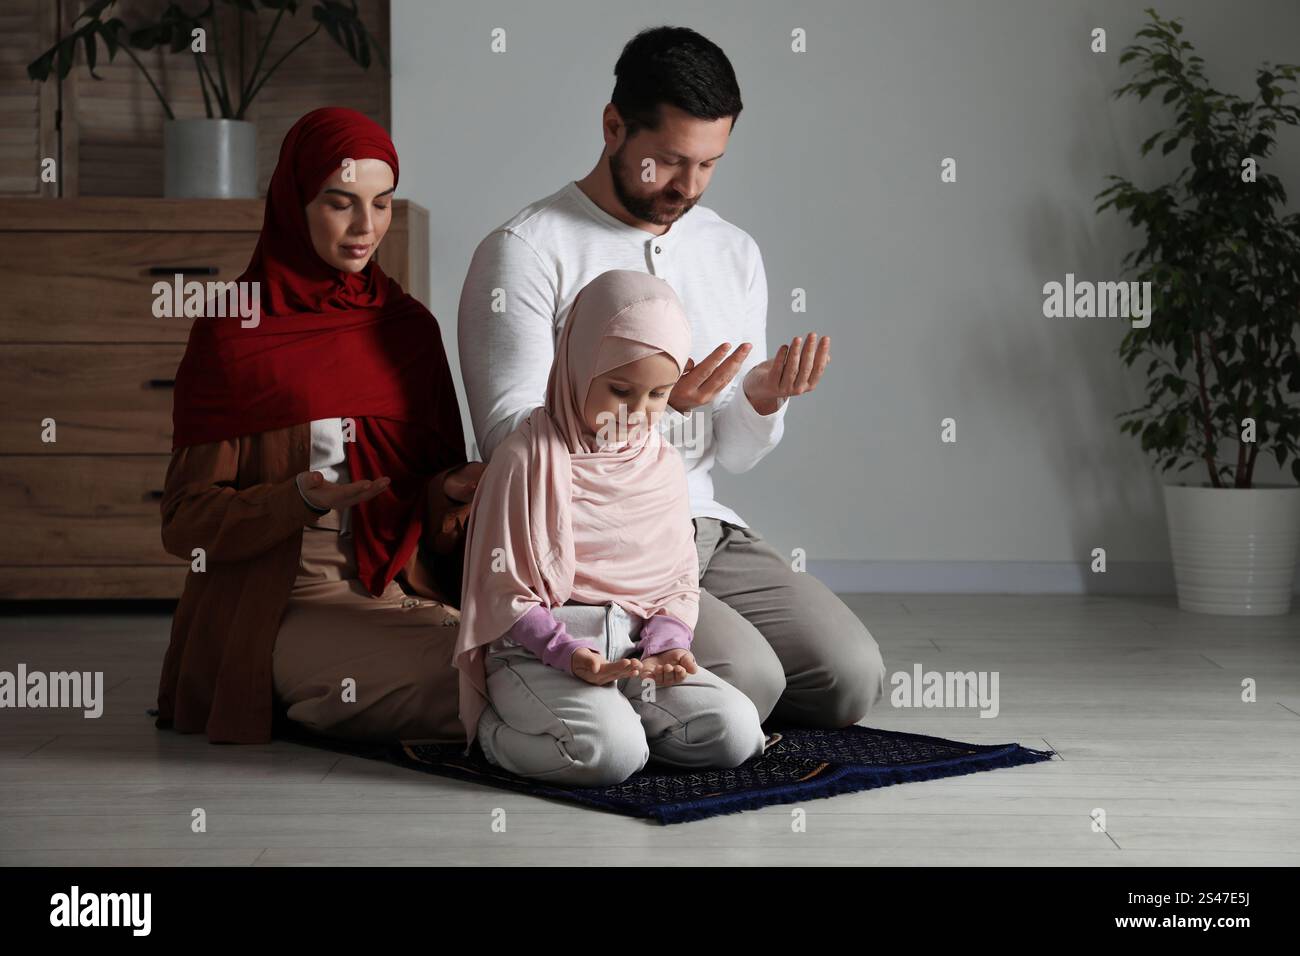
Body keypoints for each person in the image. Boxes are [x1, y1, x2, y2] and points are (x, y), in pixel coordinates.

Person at [457, 26, 885, 731]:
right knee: (749, 675)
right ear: (613, 126)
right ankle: (611, 696)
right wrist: (656, 412)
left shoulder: (731, 252)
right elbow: (512, 442)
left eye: (710, 164)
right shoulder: (527, 251)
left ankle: (686, 706)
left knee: (851, 677)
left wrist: (759, 398)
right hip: (587, 541)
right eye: (669, 161)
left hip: (700, 523)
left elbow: (737, 455)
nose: (688, 187)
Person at [156, 107, 483, 745]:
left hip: (401, 585)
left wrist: (448, 492)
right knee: (470, 681)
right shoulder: (233, 334)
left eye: (382, 204)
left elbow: (427, 509)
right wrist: (299, 498)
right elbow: (185, 520)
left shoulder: (408, 330)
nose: (366, 227)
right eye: (340, 203)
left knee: (527, 660)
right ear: (294, 201)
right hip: (284, 599)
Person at [454, 269, 767, 787]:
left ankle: (624, 721)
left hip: (635, 653)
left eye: (658, 395)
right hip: (542, 654)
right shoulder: (525, 457)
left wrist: (666, 645)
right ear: (578, 367)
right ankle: (495, 731)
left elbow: (677, 582)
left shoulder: (662, 463)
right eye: (620, 390)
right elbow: (502, 592)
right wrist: (569, 654)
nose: (638, 413)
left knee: (736, 733)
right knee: (608, 757)